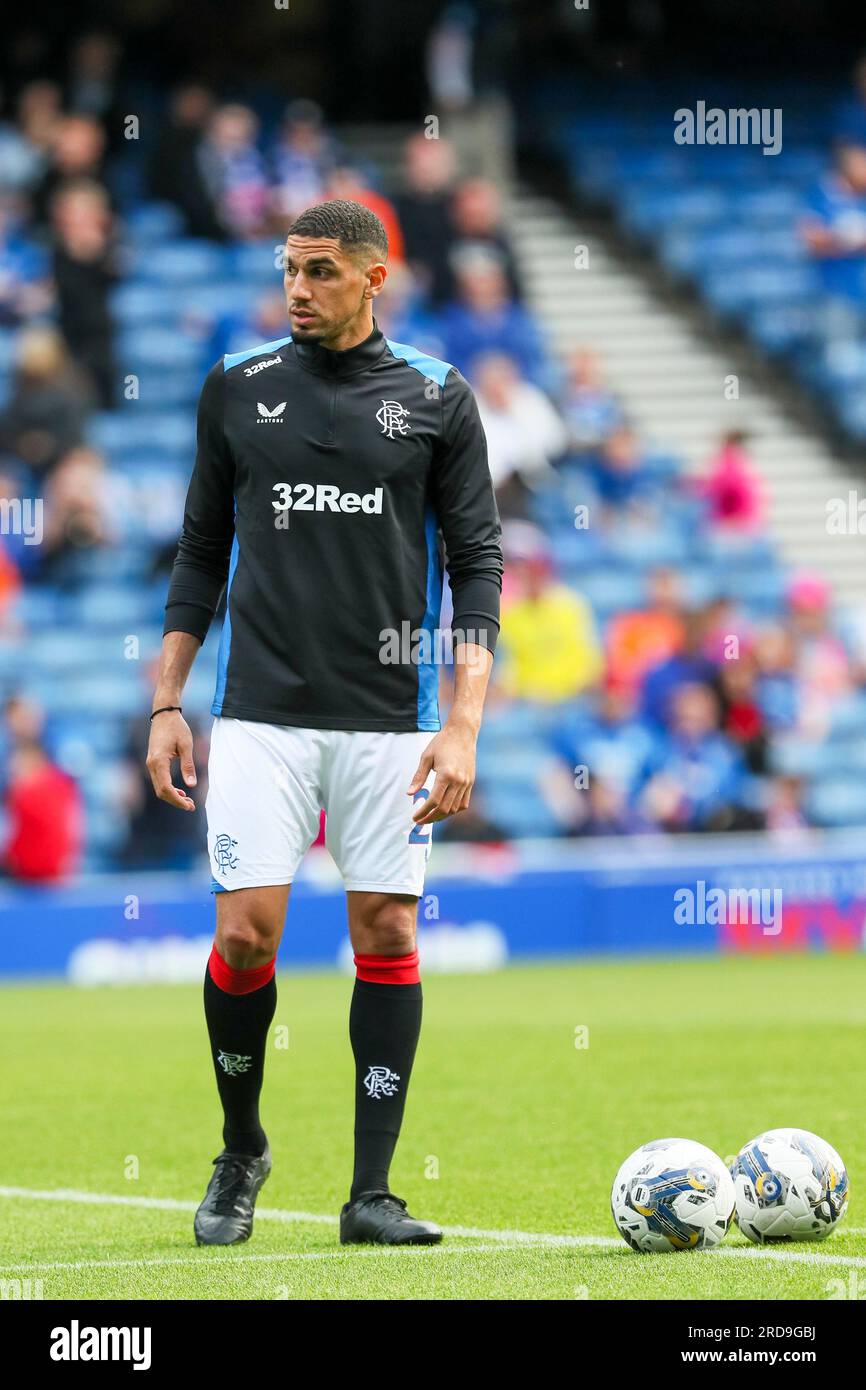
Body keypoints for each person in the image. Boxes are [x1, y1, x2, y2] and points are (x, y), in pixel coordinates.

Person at [146, 199, 502, 1249]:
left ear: (372, 275)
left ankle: (371, 1193)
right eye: (287, 269)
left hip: (393, 714)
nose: (296, 288)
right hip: (260, 711)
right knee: (243, 934)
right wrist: (167, 700)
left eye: (318, 271)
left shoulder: (437, 398)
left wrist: (465, 724)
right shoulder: (236, 388)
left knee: (385, 932)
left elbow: (477, 566)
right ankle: (242, 1145)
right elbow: (199, 552)